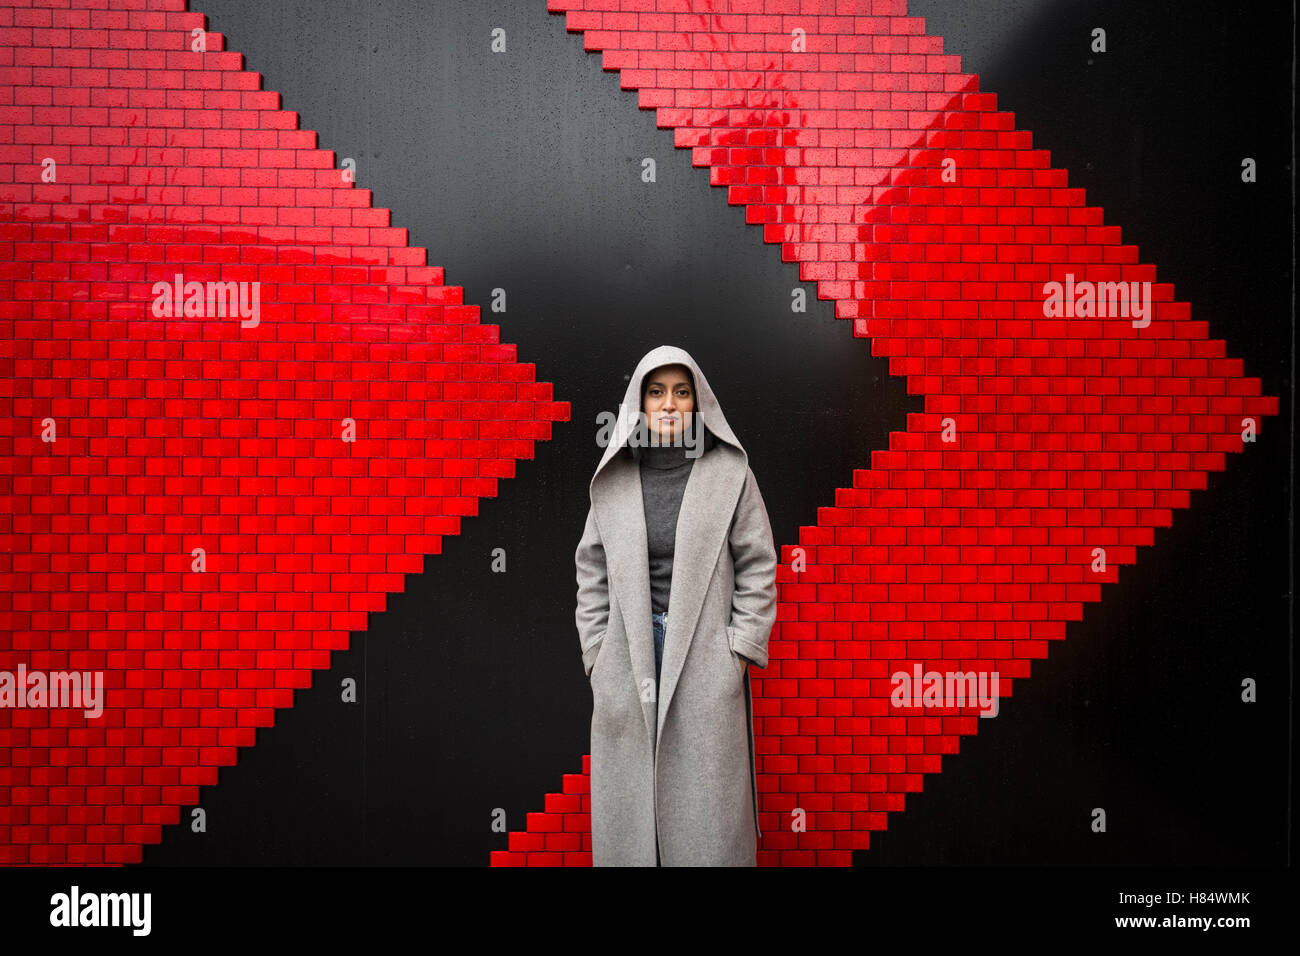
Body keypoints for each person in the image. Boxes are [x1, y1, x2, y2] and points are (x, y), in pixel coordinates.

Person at [574, 345, 778, 866]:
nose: (669, 404)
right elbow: (591, 570)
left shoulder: (730, 474)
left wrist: (738, 649)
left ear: (698, 403)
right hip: (629, 654)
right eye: (656, 392)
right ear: (639, 404)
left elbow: (758, 564)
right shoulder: (613, 479)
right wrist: (597, 652)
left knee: (706, 808)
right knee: (634, 815)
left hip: (703, 651)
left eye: (681, 392)